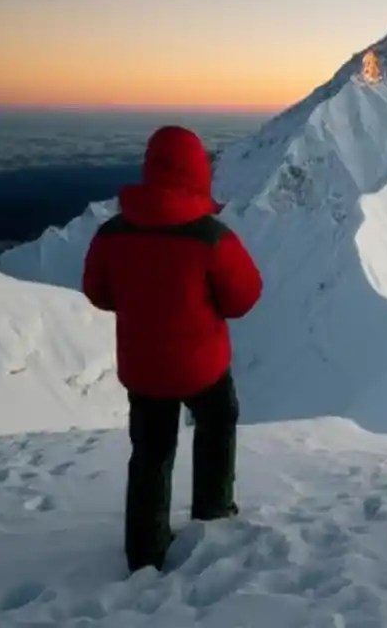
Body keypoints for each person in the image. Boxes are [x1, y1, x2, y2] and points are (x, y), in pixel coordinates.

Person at [82, 125, 262, 572]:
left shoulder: (112, 233)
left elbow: (97, 292)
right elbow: (243, 298)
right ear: (197, 172)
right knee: (218, 421)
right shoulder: (211, 237)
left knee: (150, 453)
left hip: (143, 369)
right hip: (201, 366)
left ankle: (144, 551)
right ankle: (214, 513)